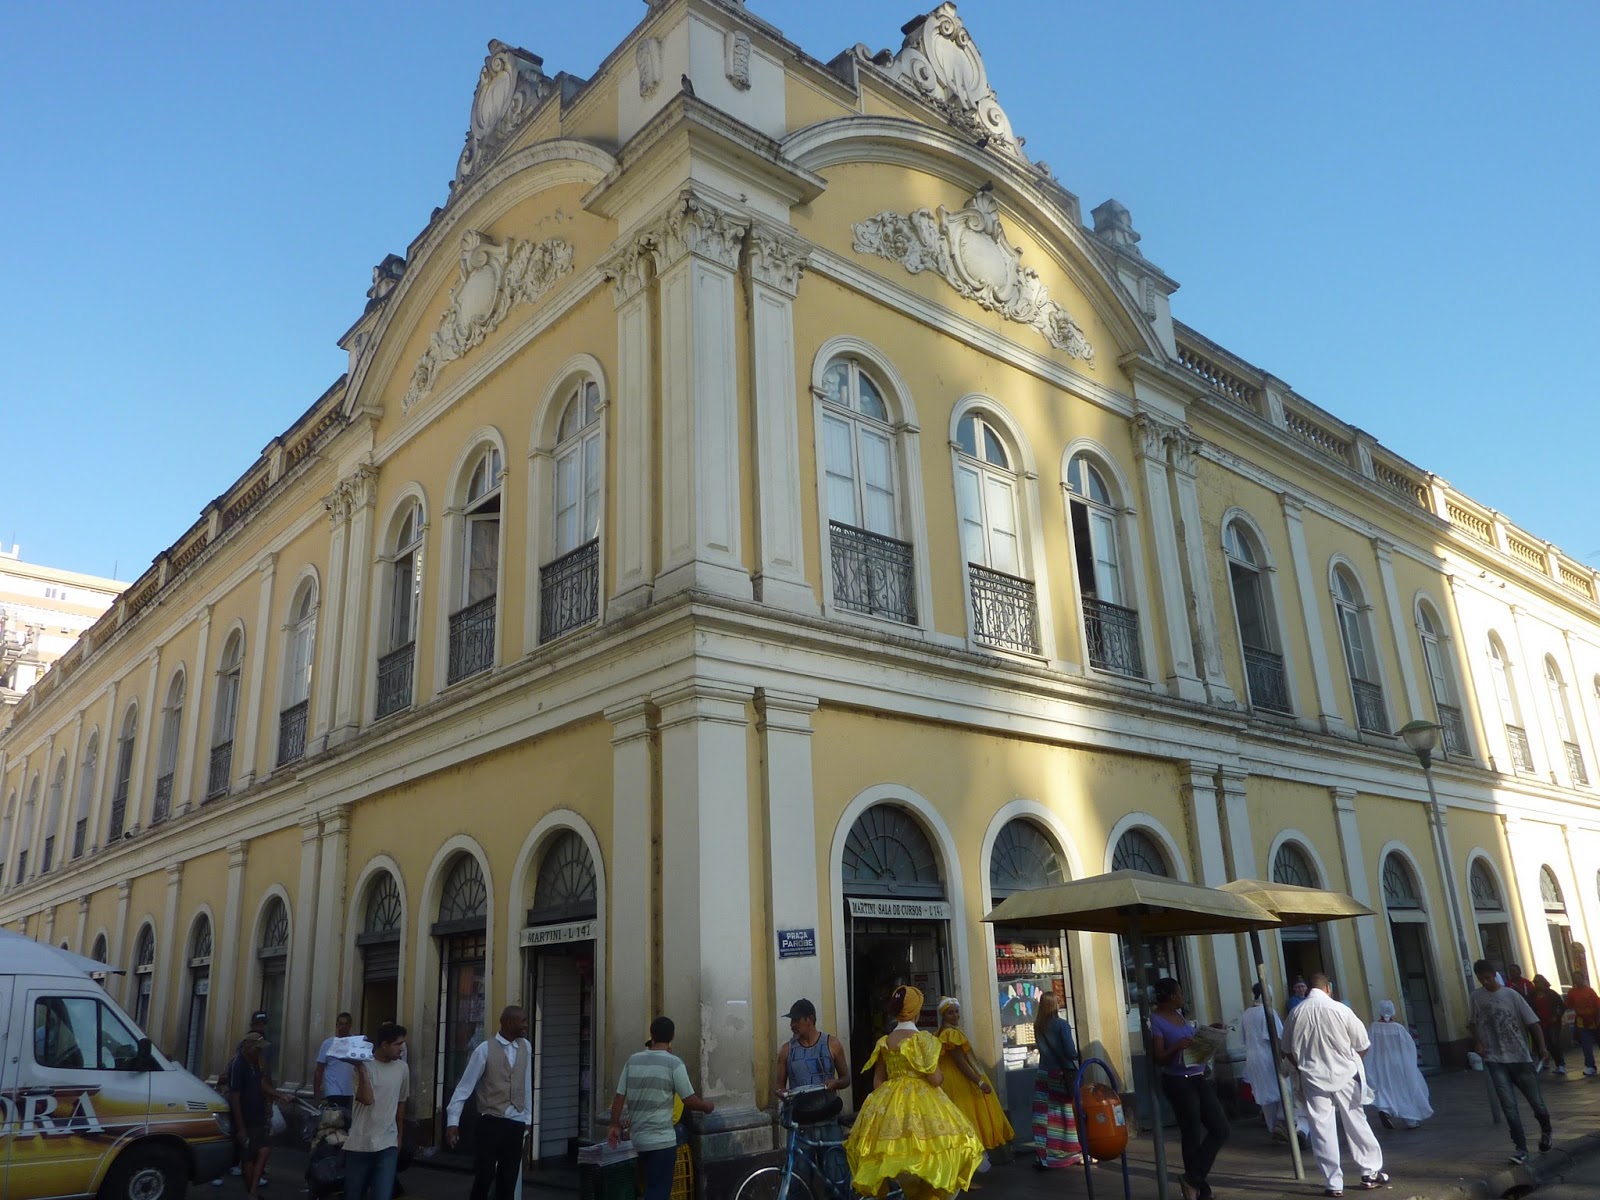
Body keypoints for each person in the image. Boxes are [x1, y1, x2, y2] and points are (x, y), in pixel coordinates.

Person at [845, 985, 982, 1200]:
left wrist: (891, 1100)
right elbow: (935, 1079)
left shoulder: (885, 1041)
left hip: (891, 1105)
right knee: (934, 1152)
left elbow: (878, 1081)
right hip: (924, 1105)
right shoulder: (924, 1040)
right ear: (916, 1012)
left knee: (899, 1158)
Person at [1281, 974, 1387, 1198]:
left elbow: (1287, 1050)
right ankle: (1369, 1171)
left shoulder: (1296, 1013)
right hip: (1344, 1075)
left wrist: (1302, 1066)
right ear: (1328, 988)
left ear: (1308, 989)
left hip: (1312, 1077)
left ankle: (1333, 1182)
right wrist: (1349, 1060)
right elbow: (1363, 1044)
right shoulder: (1341, 1010)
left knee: (1321, 1129)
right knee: (1356, 1122)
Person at [607, 1016, 715, 1200]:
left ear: (652, 1035)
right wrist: (707, 1106)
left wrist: (614, 1125)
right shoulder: (674, 1063)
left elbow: (619, 1097)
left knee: (645, 1187)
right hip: (662, 1141)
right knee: (658, 1191)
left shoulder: (633, 1061)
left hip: (638, 1139)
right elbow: (689, 1100)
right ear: (672, 1036)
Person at [1149, 979, 1232, 1200]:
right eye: (1179, 993)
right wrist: (1176, 1047)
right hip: (1178, 1081)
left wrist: (1208, 1033)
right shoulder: (1156, 1020)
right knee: (1192, 1133)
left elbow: (1190, 1039)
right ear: (1170, 996)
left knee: (1220, 1128)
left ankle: (1193, 1178)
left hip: (1197, 1076)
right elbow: (1159, 1057)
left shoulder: (1179, 1015)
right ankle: (1199, 1188)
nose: (1183, 997)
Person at [1469, 958, 1554, 1166]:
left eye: (1488, 978)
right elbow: (1472, 1023)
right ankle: (1521, 1148)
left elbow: (1533, 1023)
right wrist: (1478, 1043)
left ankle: (1546, 1129)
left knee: (1537, 1104)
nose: (1485, 982)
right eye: (1481, 979)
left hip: (1520, 1058)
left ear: (1494, 975)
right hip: (1495, 1060)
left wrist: (1542, 1048)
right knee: (1509, 1107)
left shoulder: (1511, 995)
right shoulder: (1476, 997)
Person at [445, 1005, 533, 1200]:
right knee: (484, 1175)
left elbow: (526, 1084)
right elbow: (464, 1087)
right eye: (523, 1021)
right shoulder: (484, 1050)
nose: (526, 1025)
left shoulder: (526, 1047)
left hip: (516, 1122)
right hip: (491, 1120)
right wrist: (453, 1122)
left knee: (509, 1179)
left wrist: (528, 1118)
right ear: (509, 1023)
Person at [774, 998, 850, 1198]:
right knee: (798, 1182)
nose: (792, 1025)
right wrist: (781, 1093)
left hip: (829, 1122)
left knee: (836, 1180)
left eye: (795, 1020)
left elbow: (846, 1078)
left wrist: (834, 1083)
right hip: (802, 1126)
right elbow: (779, 1085)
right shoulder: (786, 1050)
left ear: (810, 1019)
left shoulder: (832, 1044)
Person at [934, 996, 1013, 1179]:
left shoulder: (942, 1033)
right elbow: (960, 1062)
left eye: (956, 1012)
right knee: (966, 1123)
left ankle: (963, 1172)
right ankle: (964, 1173)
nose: (955, 1016)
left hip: (953, 1081)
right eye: (950, 1012)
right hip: (958, 1083)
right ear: (943, 1014)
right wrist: (978, 1081)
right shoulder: (950, 1034)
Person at [344, 1023, 410, 1200]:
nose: (402, 1049)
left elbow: (401, 1103)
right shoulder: (363, 1066)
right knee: (354, 1194)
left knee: (382, 1194)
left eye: (403, 1044)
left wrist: (399, 1137)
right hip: (360, 1142)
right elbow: (367, 1099)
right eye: (398, 1044)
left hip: (387, 1143)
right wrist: (361, 1068)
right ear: (384, 1045)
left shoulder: (402, 1069)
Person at [228, 1032, 293, 1200]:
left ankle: (252, 1191)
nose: (260, 1052)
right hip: (246, 1118)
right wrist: (241, 1128)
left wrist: (279, 1096)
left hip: (257, 1116)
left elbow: (261, 1083)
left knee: (261, 1151)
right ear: (248, 1047)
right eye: (257, 1049)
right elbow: (234, 1096)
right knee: (251, 1156)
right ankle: (253, 1192)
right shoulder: (238, 1064)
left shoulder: (254, 1063)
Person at [1241, 982, 1307, 1143]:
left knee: (1265, 1095)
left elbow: (1243, 1039)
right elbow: (1279, 1038)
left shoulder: (1246, 1014)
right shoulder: (1268, 1012)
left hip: (1252, 1058)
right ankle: (1282, 1124)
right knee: (1284, 1090)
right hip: (1268, 1057)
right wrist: (1286, 1058)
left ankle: (1274, 1128)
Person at [1029, 993, 1083, 1170]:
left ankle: (1046, 1155)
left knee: (1044, 1115)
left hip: (1043, 1072)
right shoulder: (1062, 1025)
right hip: (1061, 1074)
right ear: (1055, 1005)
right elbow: (1070, 1051)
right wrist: (1077, 1054)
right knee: (1065, 1113)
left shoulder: (1038, 1025)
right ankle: (1069, 1152)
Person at [1364, 1001, 1431, 1130]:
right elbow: (1409, 1047)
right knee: (1403, 1088)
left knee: (1384, 1088)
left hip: (1381, 1064)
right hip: (1398, 1063)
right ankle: (1410, 1120)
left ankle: (1385, 1109)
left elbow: (1368, 1046)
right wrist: (1410, 1062)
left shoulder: (1374, 1027)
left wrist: (1369, 1063)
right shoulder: (1398, 1028)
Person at [315, 1012, 357, 1111]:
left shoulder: (356, 1043)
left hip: (351, 1092)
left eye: (346, 1024)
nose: (344, 1027)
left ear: (350, 1025)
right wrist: (317, 1097)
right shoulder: (327, 1044)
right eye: (341, 1024)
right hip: (333, 1091)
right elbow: (318, 1071)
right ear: (337, 1025)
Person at [1528, 975, 1567, 1075]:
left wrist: (1556, 1016)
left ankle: (1560, 1064)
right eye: (1535, 982)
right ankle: (1544, 1061)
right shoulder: (1532, 996)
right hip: (1539, 1023)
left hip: (1552, 1022)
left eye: (1538, 982)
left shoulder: (1551, 994)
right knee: (1543, 1043)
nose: (1536, 984)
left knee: (1554, 1042)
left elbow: (1561, 1006)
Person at [1566, 970, 1599, 1075]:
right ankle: (1590, 1066)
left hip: (1594, 1019)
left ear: (1583, 979)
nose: (1577, 980)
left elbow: (1598, 1004)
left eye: (1579, 977)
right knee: (1586, 1044)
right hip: (1581, 1021)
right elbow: (1569, 1004)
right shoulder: (1572, 992)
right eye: (1575, 978)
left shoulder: (1590, 991)